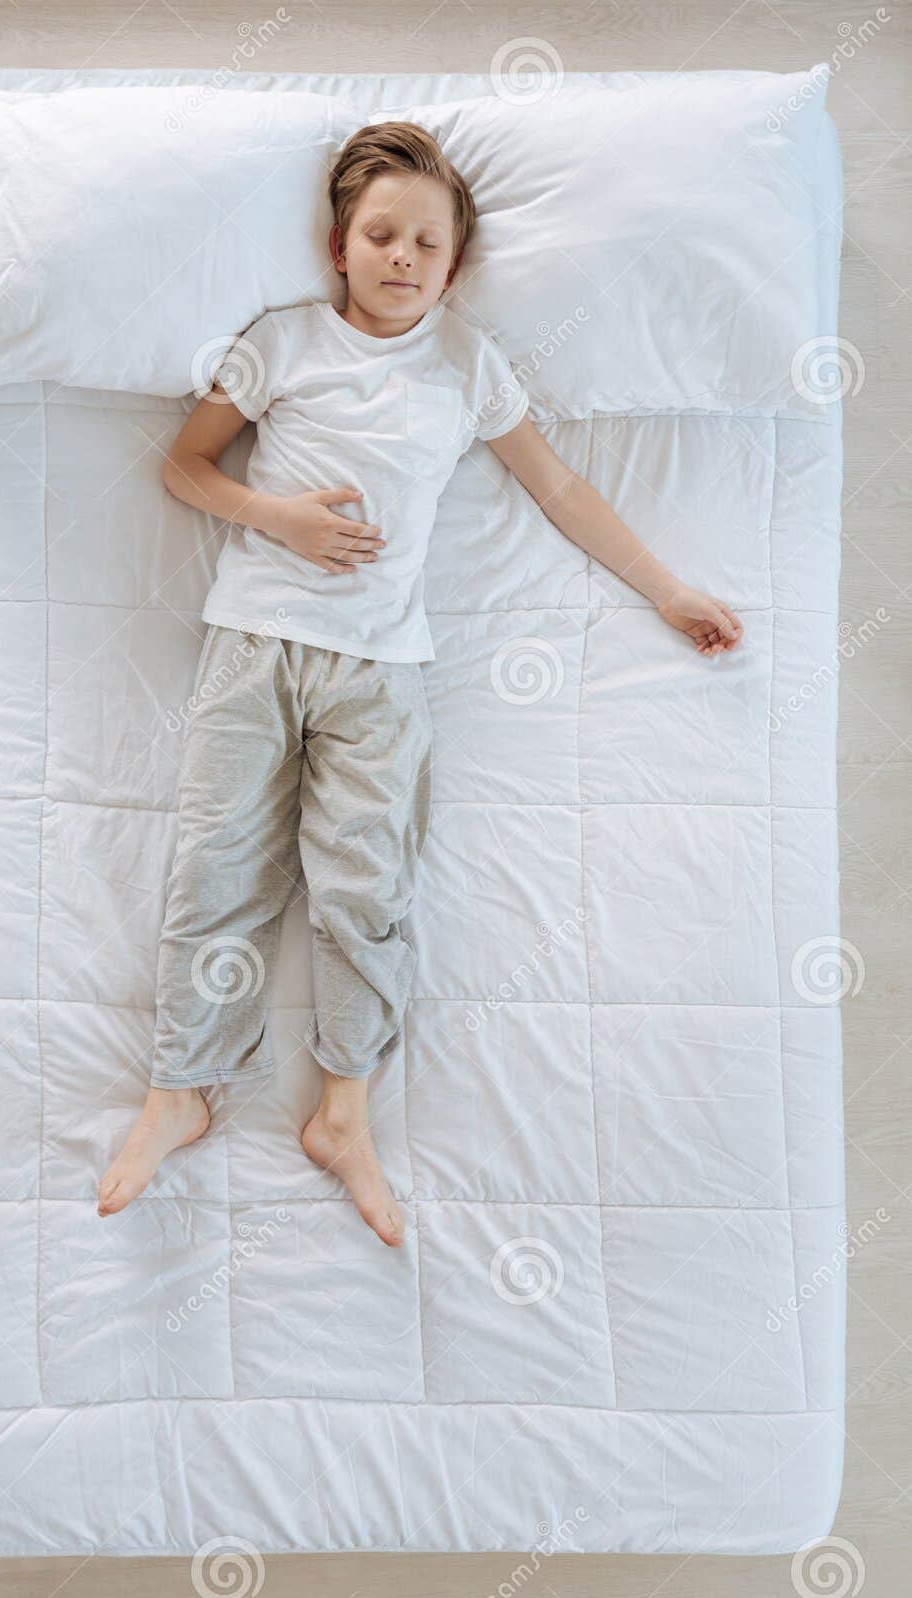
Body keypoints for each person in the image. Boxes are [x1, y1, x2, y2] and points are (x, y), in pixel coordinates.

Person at [97, 121, 743, 1246]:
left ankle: (343, 1113)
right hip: (253, 643)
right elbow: (184, 465)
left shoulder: (465, 365)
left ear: (454, 265)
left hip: (382, 671)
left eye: (427, 244)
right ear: (337, 244)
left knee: (366, 893)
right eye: (381, 234)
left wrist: (668, 589)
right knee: (217, 866)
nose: (402, 257)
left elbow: (561, 492)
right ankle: (182, 1088)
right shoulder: (283, 344)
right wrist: (278, 517)